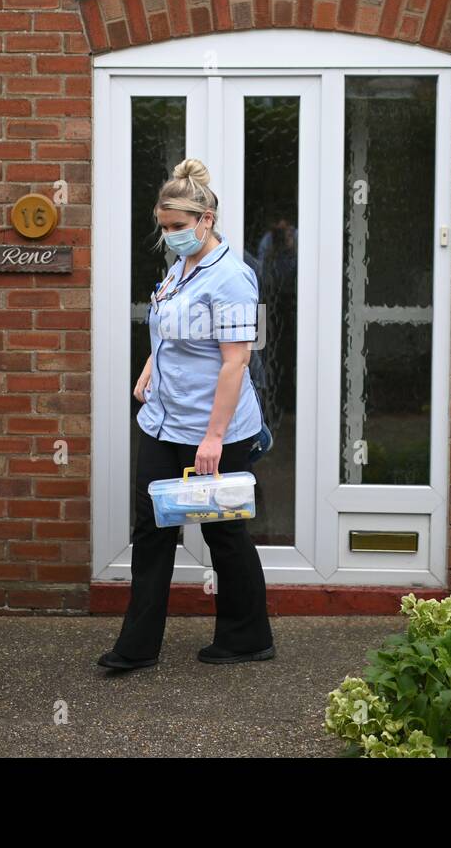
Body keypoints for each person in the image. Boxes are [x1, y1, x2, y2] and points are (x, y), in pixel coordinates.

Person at [98, 159, 275, 671]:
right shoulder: (179, 270)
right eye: (164, 228)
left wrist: (214, 439)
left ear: (207, 219)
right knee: (151, 529)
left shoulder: (234, 278)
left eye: (178, 227)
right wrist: (153, 364)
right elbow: (172, 328)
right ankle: (136, 647)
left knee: (223, 530)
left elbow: (235, 360)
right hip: (163, 420)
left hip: (216, 429)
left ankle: (247, 636)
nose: (170, 236)